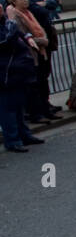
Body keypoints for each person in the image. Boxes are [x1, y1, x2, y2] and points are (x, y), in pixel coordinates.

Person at [0, 16, 43, 151]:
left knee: (19, 107)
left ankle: (24, 135)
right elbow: (5, 40)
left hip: (17, 72)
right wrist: (13, 27)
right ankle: (12, 140)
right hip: (5, 73)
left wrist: (28, 36)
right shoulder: (9, 26)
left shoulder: (6, 23)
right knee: (8, 110)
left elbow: (21, 34)